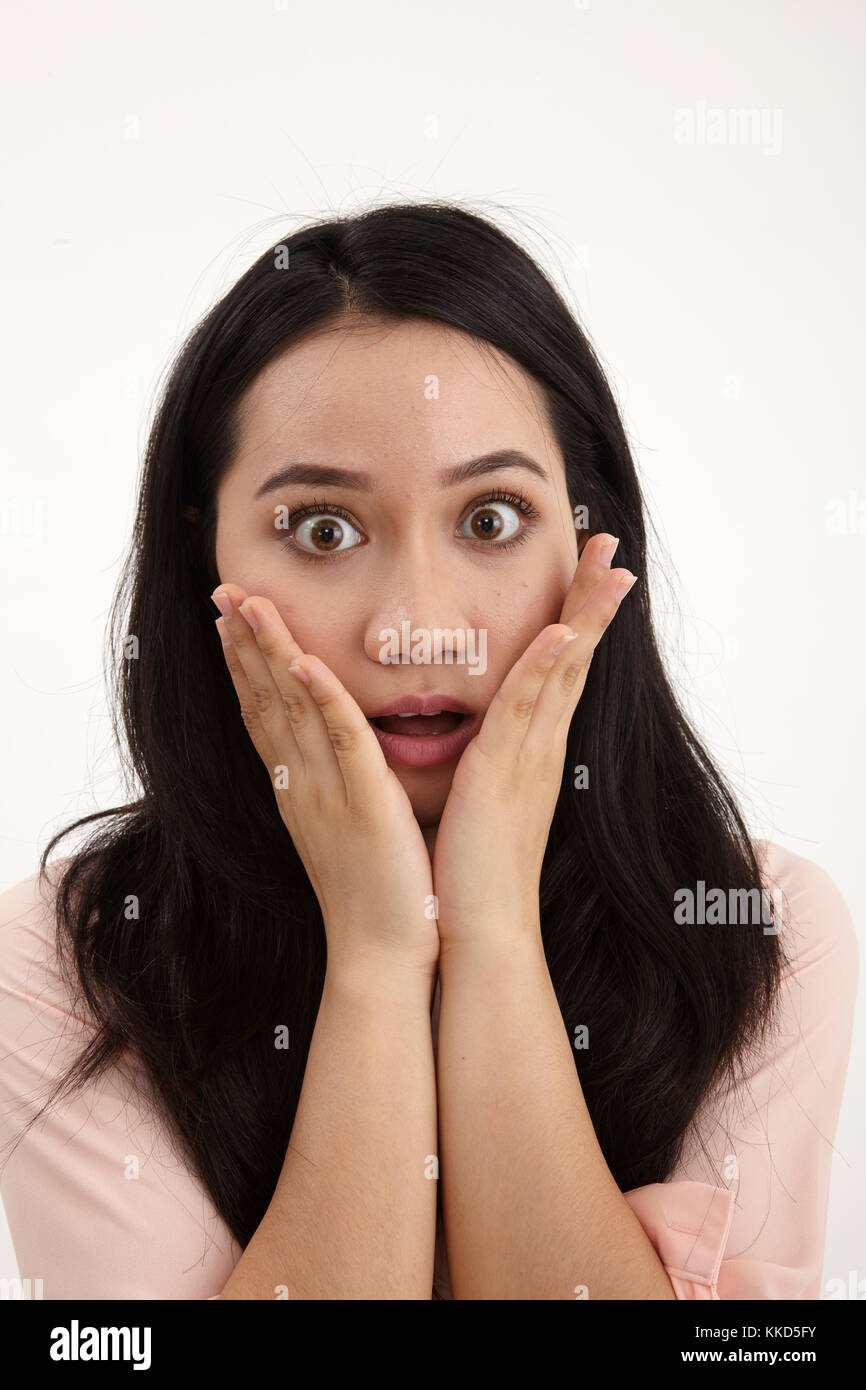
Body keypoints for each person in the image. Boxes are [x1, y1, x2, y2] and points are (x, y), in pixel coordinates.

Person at [0, 202, 857, 1299]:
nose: (415, 623)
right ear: (200, 557)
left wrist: (491, 934)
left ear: (593, 542)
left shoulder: (765, 933)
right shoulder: (61, 963)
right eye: (322, 528)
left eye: (490, 519)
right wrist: (376, 955)